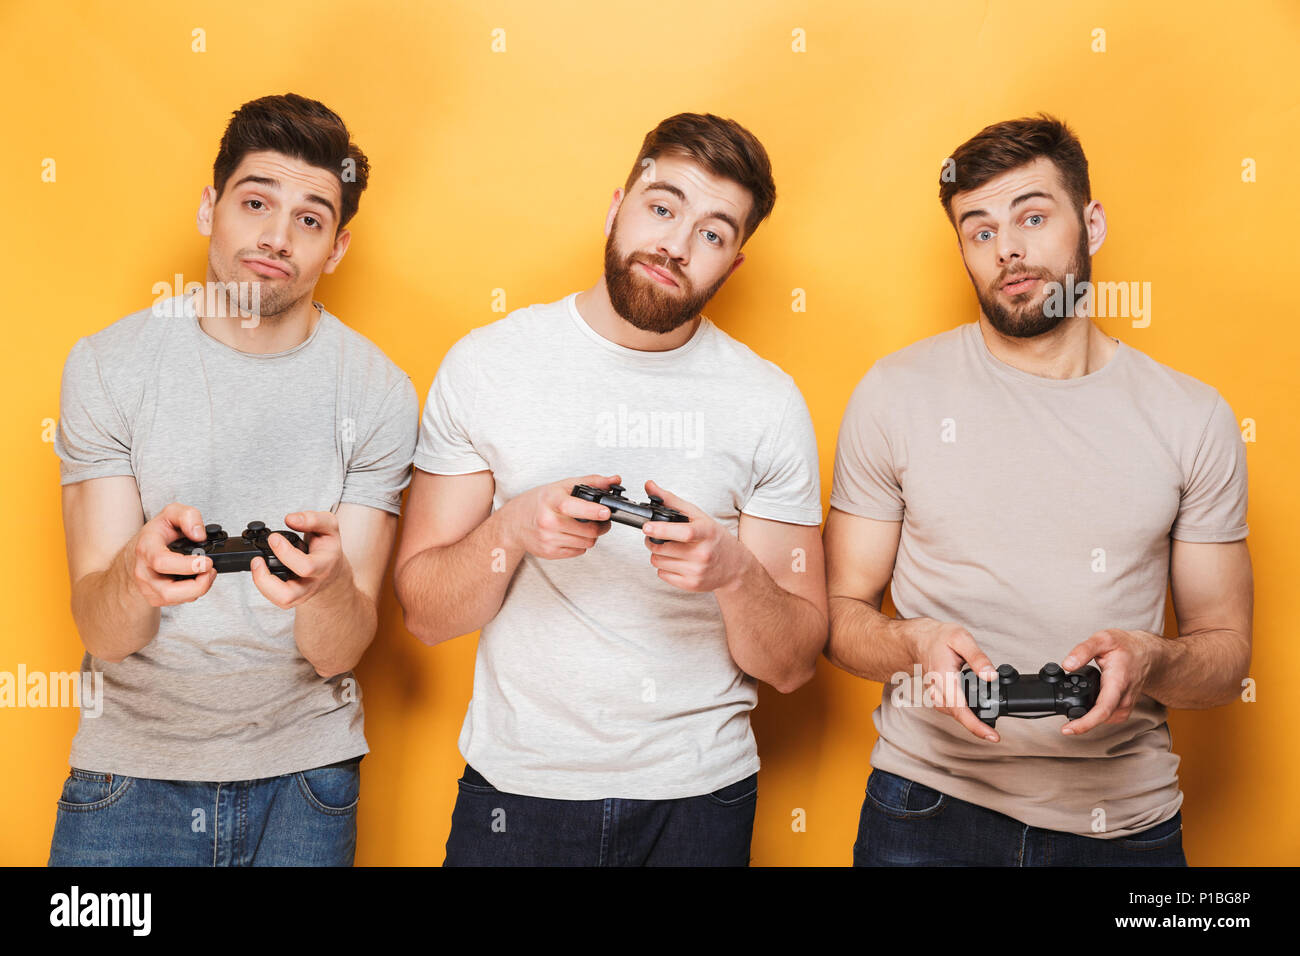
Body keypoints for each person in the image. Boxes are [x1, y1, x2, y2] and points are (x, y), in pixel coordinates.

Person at [394, 112, 827, 866]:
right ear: (616, 205)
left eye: (714, 234)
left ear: (734, 266)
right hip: (517, 789)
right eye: (662, 208)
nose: (675, 245)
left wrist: (730, 572)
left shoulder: (768, 402)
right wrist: (512, 530)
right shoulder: (488, 365)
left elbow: (792, 665)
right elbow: (424, 615)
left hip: (700, 798)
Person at [824, 113, 1252, 866]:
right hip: (925, 806)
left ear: (1091, 222)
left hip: (1123, 823)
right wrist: (913, 644)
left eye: (1032, 216)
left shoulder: (1193, 416)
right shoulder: (895, 393)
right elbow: (838, 614)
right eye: (979, 229)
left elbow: (1226, 654)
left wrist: (1149, 658)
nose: (1009, 249)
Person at [49, 93, 418, 866]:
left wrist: (326, 587)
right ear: (209, 208)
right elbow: (103, 630)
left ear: (337, 248)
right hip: (130, 773)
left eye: (310, 219)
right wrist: (137, 577)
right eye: (256, 203)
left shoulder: (379, 392)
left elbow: (340, 653)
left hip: (306, 781)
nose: (277, 238)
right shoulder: (107, 367)